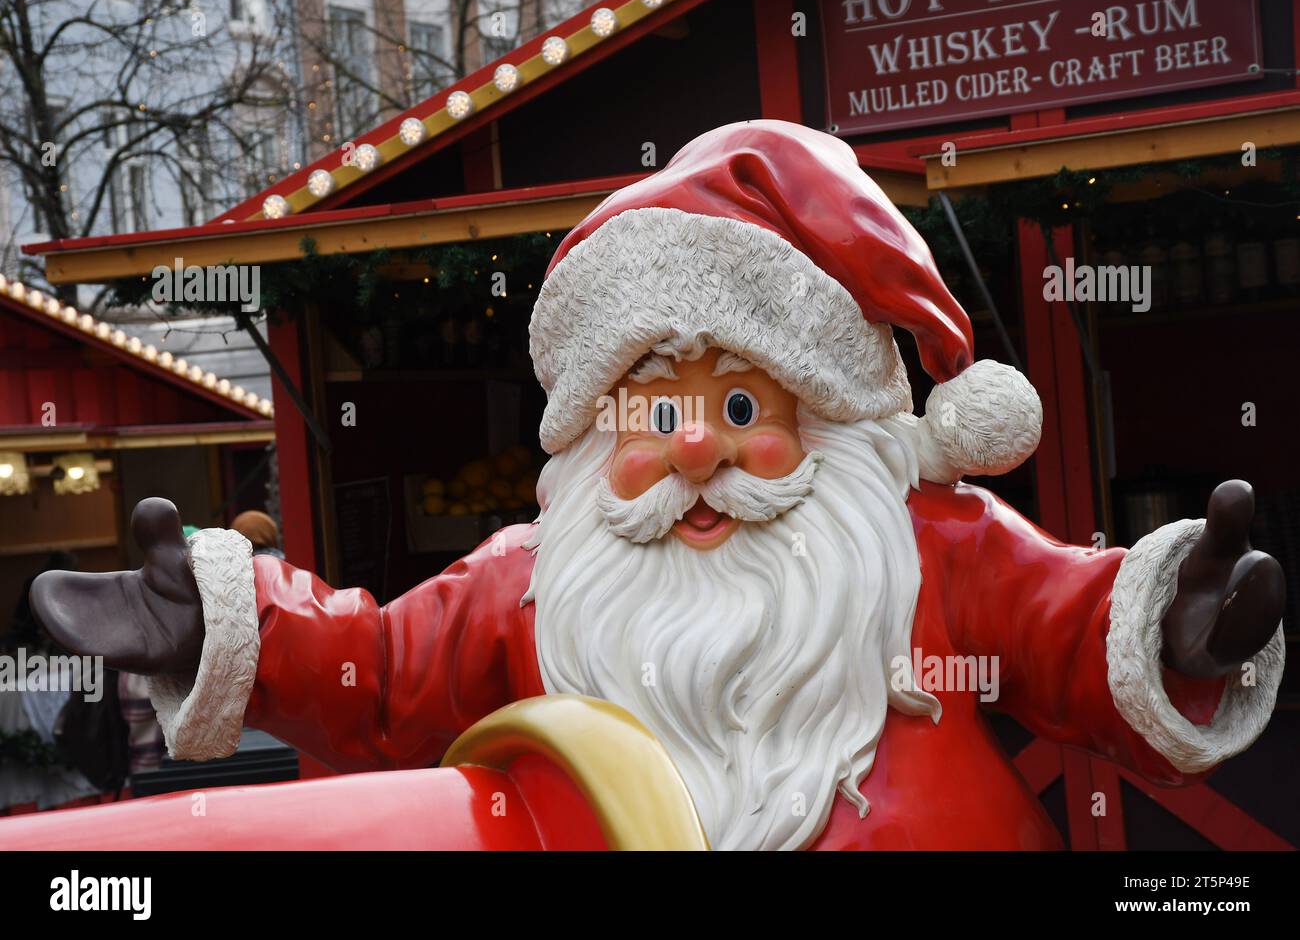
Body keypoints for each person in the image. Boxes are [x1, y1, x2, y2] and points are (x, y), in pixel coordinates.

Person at [27, 121, 1286, 850]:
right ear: (590, 435)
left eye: (743, 408)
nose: (696, 449)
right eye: (653, 410)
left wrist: (1165, 619)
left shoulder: (920, 543)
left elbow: (1071, 621)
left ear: (826, 419)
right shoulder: (533, 582)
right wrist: (227, 617)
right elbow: (382, 670)